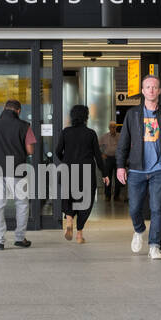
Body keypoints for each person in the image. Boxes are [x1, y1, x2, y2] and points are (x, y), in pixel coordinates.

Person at [116, 75, 161, 260]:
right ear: (143, 91)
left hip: (158, 170)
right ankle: (139, 230)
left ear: (159, 91)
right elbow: (123, 144)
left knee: (156, 209)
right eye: (147, 87)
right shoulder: (133, 114)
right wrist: (121, 166)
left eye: (154, 87)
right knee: (134, 209)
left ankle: (154, 246)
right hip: (136, 170)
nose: (151, 90)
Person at [0, 99, 37, 249]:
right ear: (18, 111)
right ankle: (19, 238)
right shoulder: (24, 126)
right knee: (22, 203)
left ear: (4, 108)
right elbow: (30, 150)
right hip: (16, 169)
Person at [55, 104, 110, 243]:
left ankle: (68, 222)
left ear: (72, 117)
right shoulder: (90, 133)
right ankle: (79, 235)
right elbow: (98, 156)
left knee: (68, 197)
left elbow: (57, 151)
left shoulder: (65, 132)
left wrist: (65, 160)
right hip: (86, 171)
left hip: (68, 170)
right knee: (85, 202)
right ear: (86, 117)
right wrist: (105, 174)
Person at [100, 124, 122, 201]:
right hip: (108, 158)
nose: (113, 128)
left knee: (118, 178)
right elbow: (97, 145)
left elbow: (124, 145)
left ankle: (116, 196)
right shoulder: (104, 136)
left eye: (114, 127)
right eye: (111, 127)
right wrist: (101, 154)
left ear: (116, 128)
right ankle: (107, 195)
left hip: (117, 159)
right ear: (109, 128)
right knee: (107, 177)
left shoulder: (120, 136)